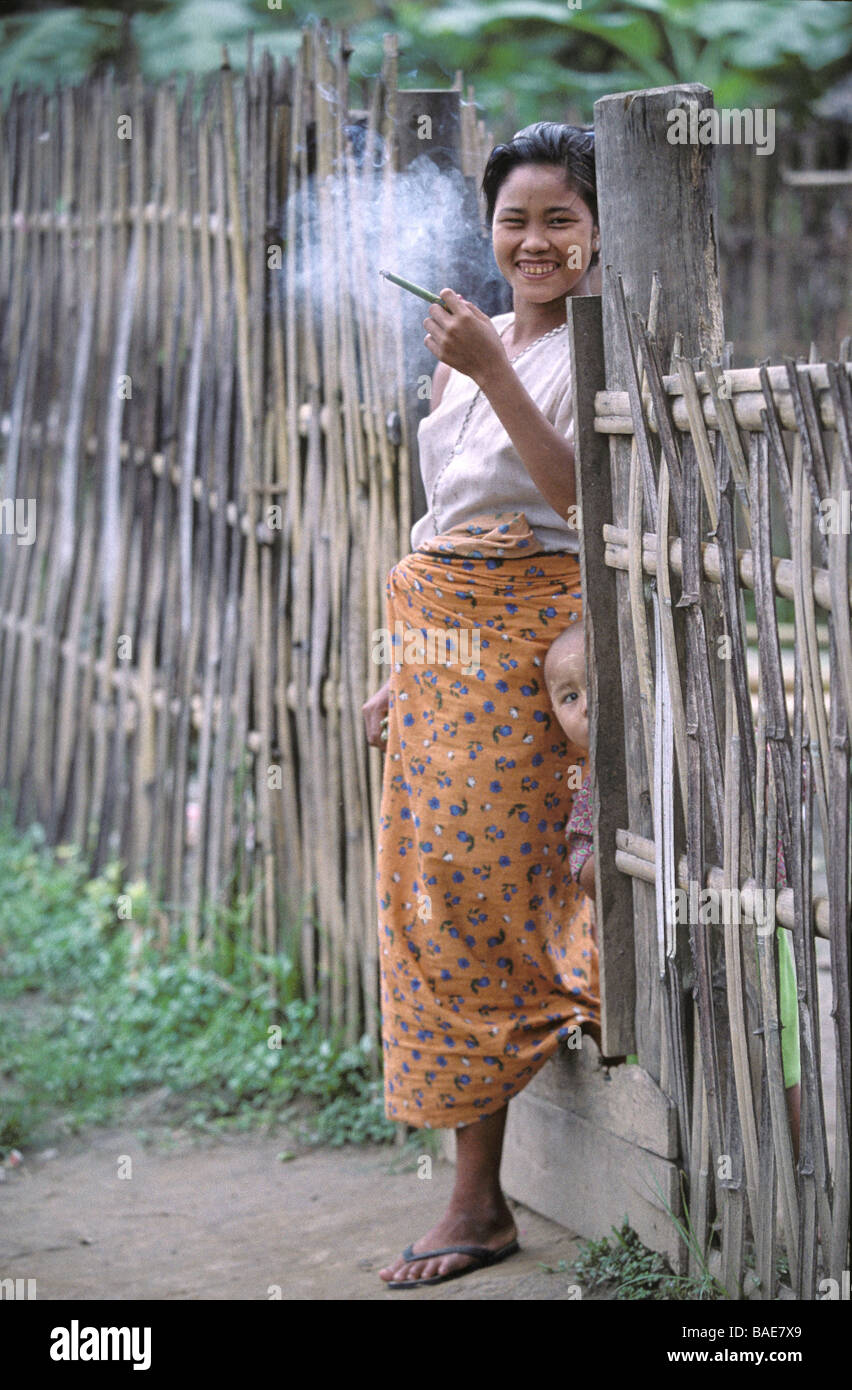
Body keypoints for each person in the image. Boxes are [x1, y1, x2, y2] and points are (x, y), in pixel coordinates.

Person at [361, 123, 601, 1289]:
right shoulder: (477, 342)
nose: (536, 240)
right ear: (489, 229)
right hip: (446, 665)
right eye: (517, 218)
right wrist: (406, 671)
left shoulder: (600, 350)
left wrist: (496, 371)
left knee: (486, 904)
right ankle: (480, 1199)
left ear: (600, 232)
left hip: (528, 671)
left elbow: (582, 503)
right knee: (433, 906)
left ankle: (473, 1202)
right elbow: (447, 524)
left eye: (561, 218)